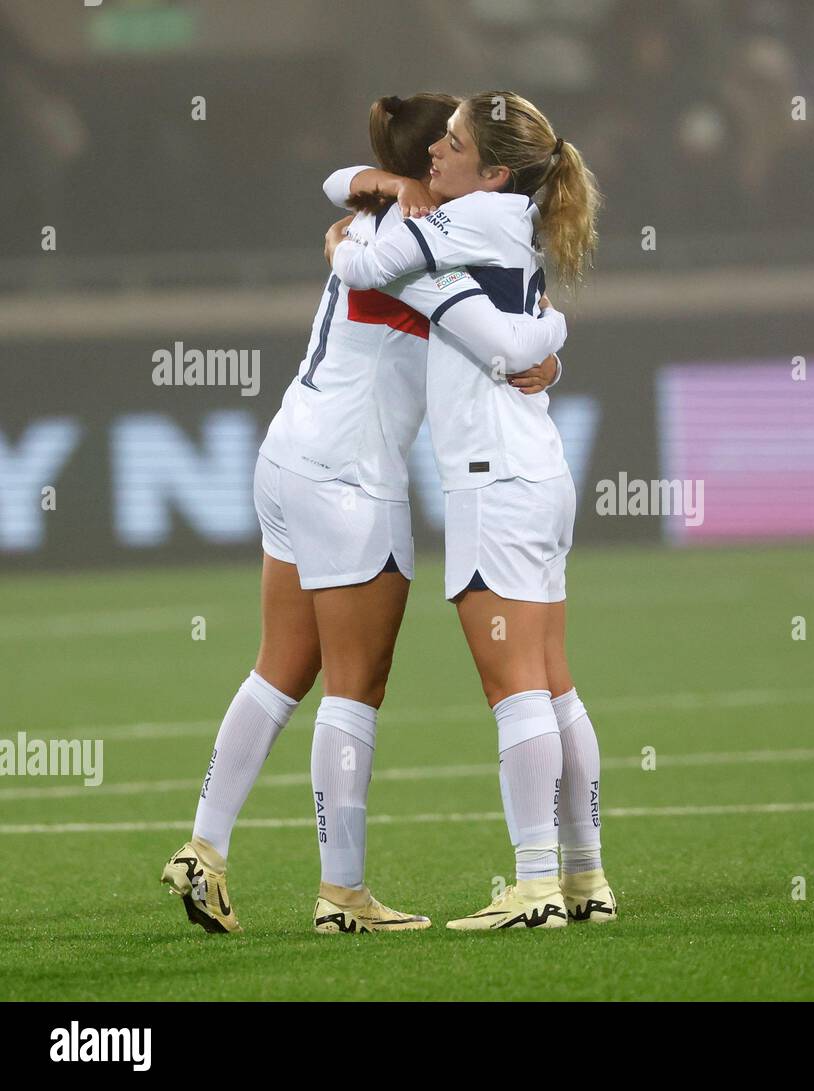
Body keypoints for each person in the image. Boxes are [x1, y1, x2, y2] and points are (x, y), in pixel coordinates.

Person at [161, 93, 566, 936]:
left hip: (287, 452)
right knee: (356, 687)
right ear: (431, 171)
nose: (452, 162)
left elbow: (340, 195)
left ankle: (205, 844)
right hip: (351, 475)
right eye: (445, 150)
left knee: (280, 668)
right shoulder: (419, 257)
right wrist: (550, 341)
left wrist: (369, 185)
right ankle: (341, 895)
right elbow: (499, 337)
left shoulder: (378, 225)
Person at [326, 91, 615, 930]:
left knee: (514, 686)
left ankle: (532, 887)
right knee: (555, 686)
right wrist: (549, 340)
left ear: (491, 170)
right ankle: (584, 877)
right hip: (534, 467)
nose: (434, 160)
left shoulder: (468, 220)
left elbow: (361, 268)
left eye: (451, 146)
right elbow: (513, 336)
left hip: (495, 478)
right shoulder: (504, 216)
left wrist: (354, 230)